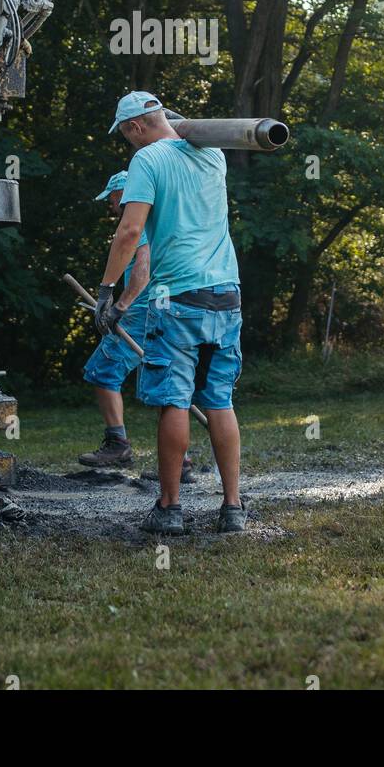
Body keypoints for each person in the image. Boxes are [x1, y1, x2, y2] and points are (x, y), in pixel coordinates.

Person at [94, 91, 246, 535]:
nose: (128, 143)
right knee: (219, 400)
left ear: (135, 127)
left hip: (175, 297)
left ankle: (169, 508)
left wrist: (107, 290)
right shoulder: (212, 152)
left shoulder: (148, 160)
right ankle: (233, 508)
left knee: (174, 401)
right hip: (226, 293)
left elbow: (131, 229)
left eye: (126, 134)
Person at [78, 171, 150, 466]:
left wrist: (120, 307)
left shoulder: (137, 222)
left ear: (123, 194)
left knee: (102, 371)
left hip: (142, 311)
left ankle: (118, 444)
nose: (110, 204)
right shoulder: (162, 220)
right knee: (164, 379)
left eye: (111, 197)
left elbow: (142, 268)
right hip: (164, 309)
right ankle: (181, 461)